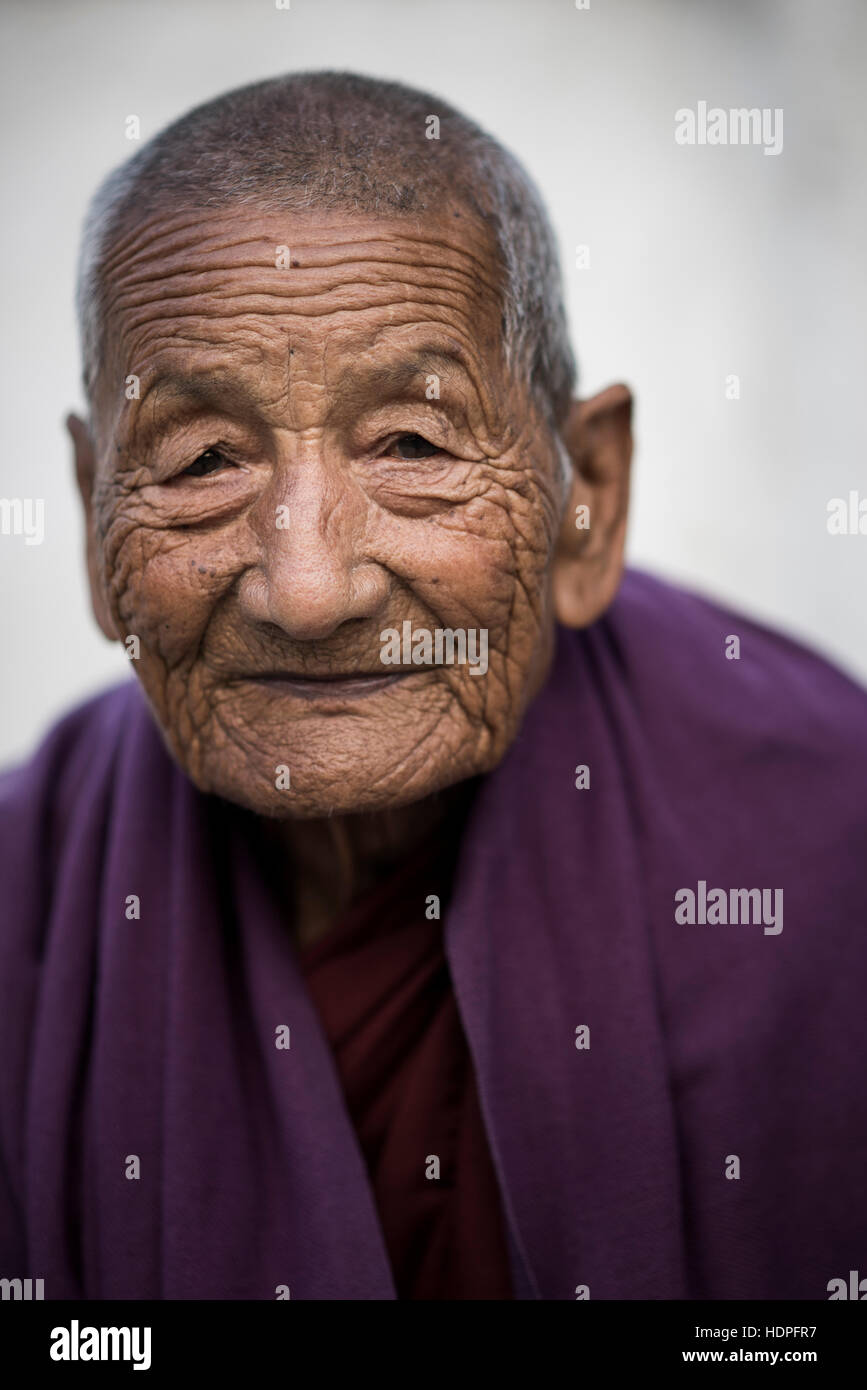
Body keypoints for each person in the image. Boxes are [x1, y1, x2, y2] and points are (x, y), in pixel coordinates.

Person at [1, 71, 865, 1301]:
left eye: (411, 443)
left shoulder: (826, 851)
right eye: (201, 459)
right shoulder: (24, 914)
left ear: (587, 503)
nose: (307, 588)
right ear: (95, 524)